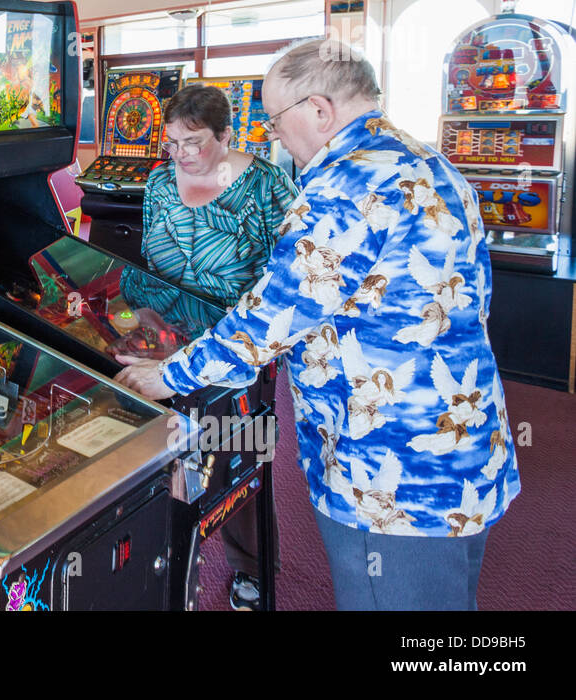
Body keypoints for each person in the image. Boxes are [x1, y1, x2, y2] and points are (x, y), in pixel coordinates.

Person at [115, 38, 520, 611]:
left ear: (320, 110)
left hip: (391, 465)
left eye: (277, 120)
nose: (275, 135)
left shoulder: (345, 186)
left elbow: (273, 315)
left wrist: (172, 375)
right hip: (458, 437)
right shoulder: (421, 158)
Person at [120, 84, 298, 610]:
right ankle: (167, 577)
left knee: (238, 462)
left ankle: (252, 568)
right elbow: (150, 265)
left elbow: (286, 287)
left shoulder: (267, 187)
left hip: (236, 355)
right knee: (168, 466)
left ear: (226, 134)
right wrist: (142, 312)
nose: (182, 153)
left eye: (195, 141)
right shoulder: (158, 182)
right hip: (166, 347)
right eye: (173, 141)